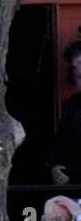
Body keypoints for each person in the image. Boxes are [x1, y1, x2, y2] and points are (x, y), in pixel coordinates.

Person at [50, 40, 81, 187]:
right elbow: (59, 146)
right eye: (78, 76)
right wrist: (55, 168)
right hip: (74, 188)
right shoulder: (71, 107)